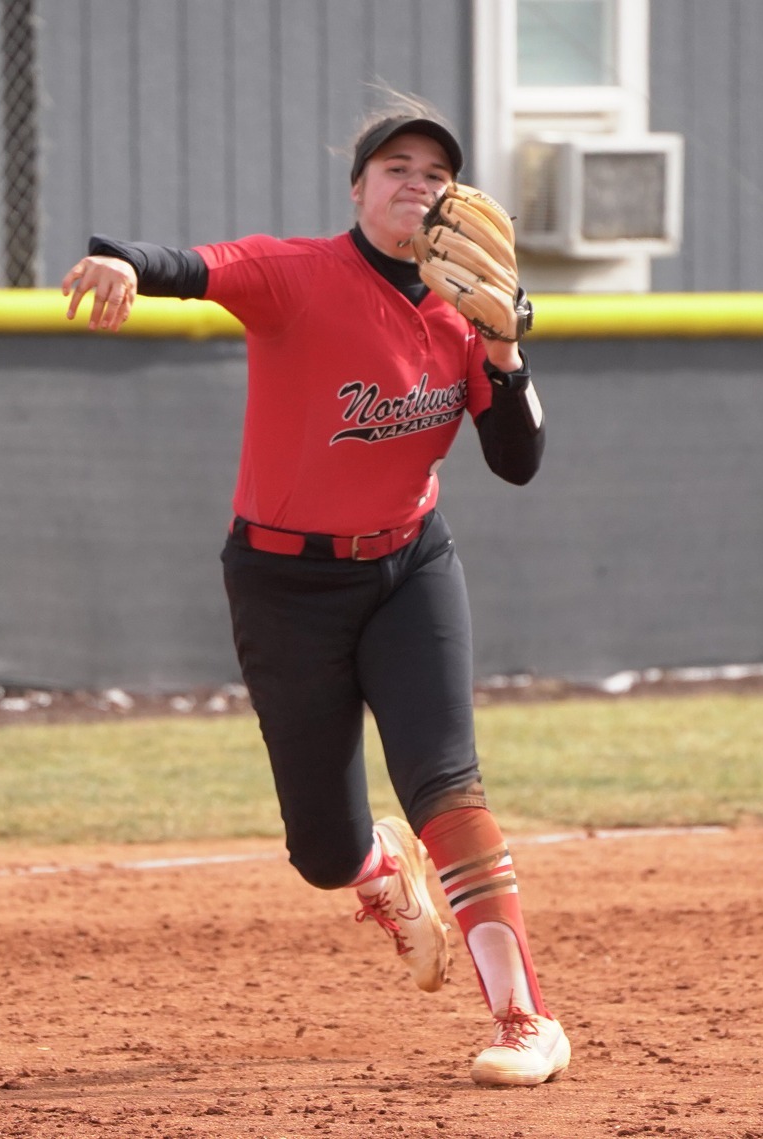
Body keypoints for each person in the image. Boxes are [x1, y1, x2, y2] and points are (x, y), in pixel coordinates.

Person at [58, 98, 565, 1087]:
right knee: (324, 852)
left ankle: (524, 1019)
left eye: (434, 173)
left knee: (446, 785)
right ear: (357, 187)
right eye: (396, 167)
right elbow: (195, 266)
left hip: (410, 567)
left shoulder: (471, 311)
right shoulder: (299, 275)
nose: (416, 183)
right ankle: (377, 873)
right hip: (283, 583)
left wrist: (505, 350)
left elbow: (517, 461)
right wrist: (121, 262)